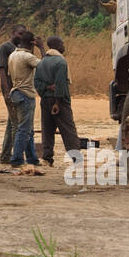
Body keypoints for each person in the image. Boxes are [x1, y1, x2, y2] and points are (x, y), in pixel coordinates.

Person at [35, 35, 81, 166]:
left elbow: (37, 83)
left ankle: (47, 158)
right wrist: (57, 103)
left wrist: (46, 88)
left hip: (45, 99)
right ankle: (76, 158)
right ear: (57, 45)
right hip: (60, 101)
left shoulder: (41, 62)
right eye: (62, 44)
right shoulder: (61, 62)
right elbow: (61, 84)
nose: (64, 46)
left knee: (47, 130)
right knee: (68, 130)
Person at [0, 25, 27, 164]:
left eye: (24, 34)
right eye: (19, 33)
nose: (21, 36)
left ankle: (5, 156)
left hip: (20, 88)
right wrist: (6, 91)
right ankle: (17, 158)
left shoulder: (21, 49)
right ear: (13, 33)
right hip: (11, 89)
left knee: (12, 122)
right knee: (17, 124)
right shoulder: (5, 48)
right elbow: (2, 70)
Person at [7, 31, 43, 169]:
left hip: (15, 92)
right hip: (26, 93)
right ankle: (16, 159)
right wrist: (41, 47)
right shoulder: (27, 56)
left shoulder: (13, 55)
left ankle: (32, 158)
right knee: (24, 129)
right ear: (32, 42)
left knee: (28, 129)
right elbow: (45, 66)